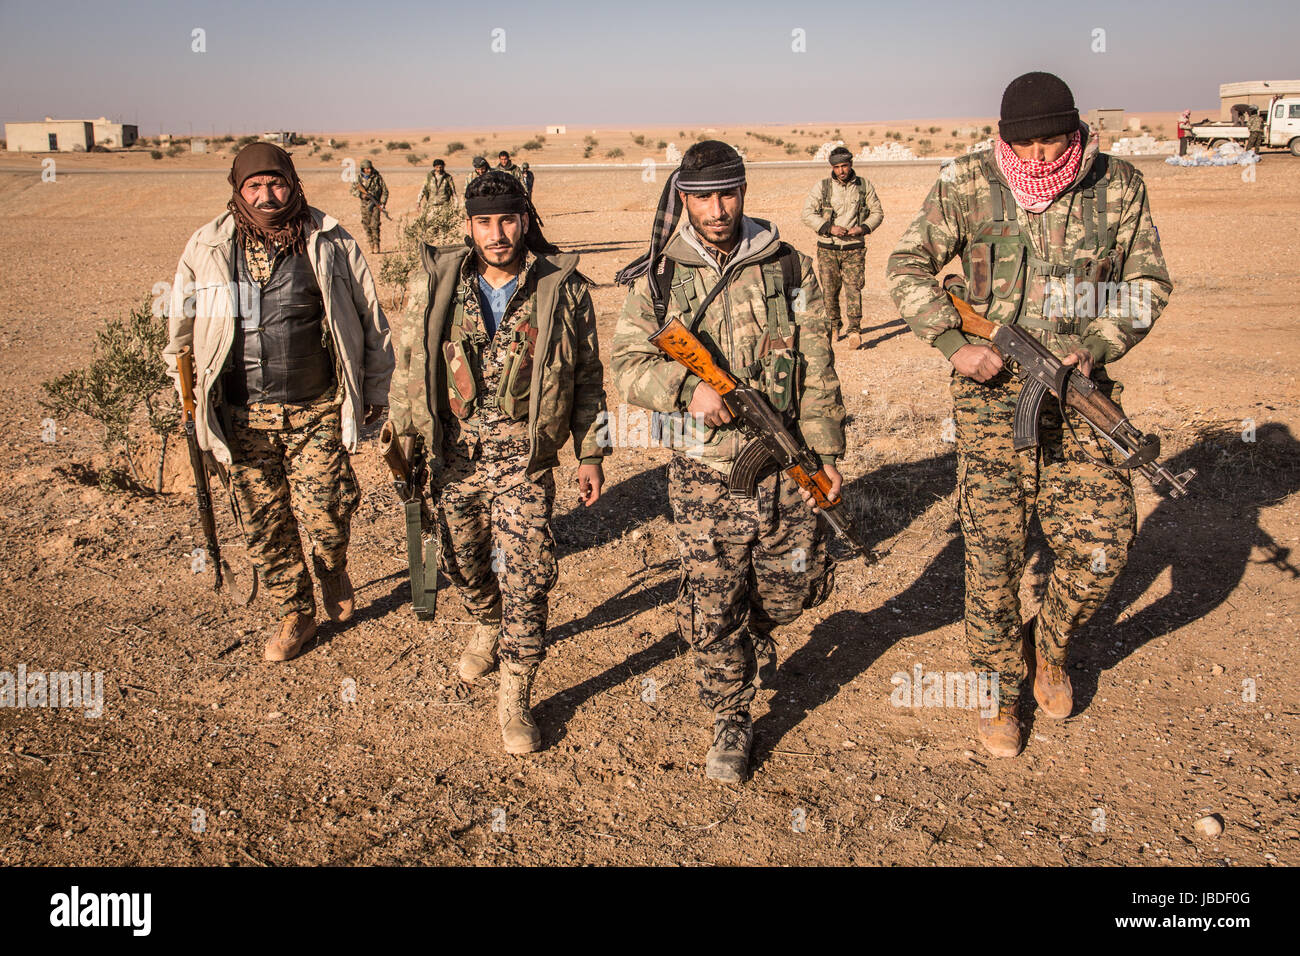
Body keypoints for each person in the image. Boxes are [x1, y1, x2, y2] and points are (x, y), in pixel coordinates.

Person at [887, 71, 1173, 757]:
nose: (1042, 159)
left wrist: (1095, 348)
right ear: (1005, 139)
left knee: (1105, 545)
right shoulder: (966, 182)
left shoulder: (1117, 185)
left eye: (1054, 144)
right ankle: (998, 692)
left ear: (1076, 132)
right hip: (990, 402)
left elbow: (1148, 282)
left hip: (1079, 397)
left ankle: (1050, 647)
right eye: (1028, 147)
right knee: (993, 558)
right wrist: (955, 345)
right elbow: (906, 266)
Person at [611, 141, 845, 783]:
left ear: (744, 192)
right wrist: (688, 389)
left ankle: (753, 631)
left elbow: (819, 364)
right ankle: (730, 716)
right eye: (703, 198)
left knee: (794, 589)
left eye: (728, 194)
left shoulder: (788, 266)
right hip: (704, 471)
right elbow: (627, 364)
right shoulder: (659, 277)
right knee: (714, 604)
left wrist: (825, 453)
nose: (717, 210)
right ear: (683, 199)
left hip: (784, 461)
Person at [387, 171, 610, 754]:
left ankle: (516, 694)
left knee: (527, 575)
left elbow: (589, 377)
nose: (497, 233)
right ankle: (487, 622)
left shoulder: (562, 288)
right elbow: (410, 363)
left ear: (525, 220)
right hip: (454, 457)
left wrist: (590, 452)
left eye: (507, 219)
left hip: (525, 460)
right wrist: (405, 437)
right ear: (468, 226)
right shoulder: (437, 283)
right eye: (484, 222)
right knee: (461, 565)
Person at [164, 143, 394, 661]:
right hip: (240, 416)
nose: (266, 195)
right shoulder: (207, 245)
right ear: (238, 190)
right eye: (254, 186)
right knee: (264, 525)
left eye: (276, 183)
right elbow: (180, 330)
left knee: (328, 513)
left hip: (317, 409)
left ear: (292, 184)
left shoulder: (328, 239)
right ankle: (296, 614)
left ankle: (332, 568)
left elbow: (371, 320)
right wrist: (187, 396)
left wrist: (376, 393)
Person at [801, 146, 884, 348]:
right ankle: (833, 326)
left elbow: (877, 213)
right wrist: (829, 228)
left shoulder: (864, 186)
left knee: (854, 290)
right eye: (836, 167)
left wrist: (863, 228)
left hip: (854, 249)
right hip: (828, 248)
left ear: (851, 164)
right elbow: (807, 214)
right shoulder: (822, 187)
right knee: (829, 291)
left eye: (844, 166)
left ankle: (854, 330)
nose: (841, 171)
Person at [350, 158, 388, 254]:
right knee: (366, 225)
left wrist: (383, 203)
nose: (369, 170)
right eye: (366, 169)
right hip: (364, 205)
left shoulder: (377, 177)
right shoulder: (358, 179)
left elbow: (385, 191)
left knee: (375, 225)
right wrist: (361, 195)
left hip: (375, 204)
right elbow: (352, 190)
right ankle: (371, 245)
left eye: (370, 168)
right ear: (363, 169)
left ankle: (376, 245)